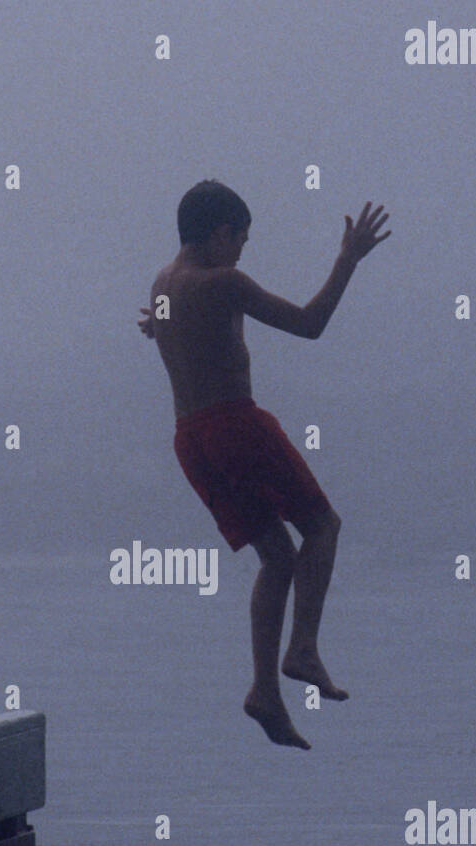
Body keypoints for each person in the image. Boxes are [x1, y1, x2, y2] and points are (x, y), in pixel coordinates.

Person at [138, 180, 390, 749]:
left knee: (277, 558)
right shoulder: (223, 282)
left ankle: (264, 694)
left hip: (191, 441)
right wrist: (347, 260)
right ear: (221, 231)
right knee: (323, 526)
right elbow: (309, 323)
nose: (243, 251)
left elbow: (161, 321)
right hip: (235, 424)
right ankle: (302, 649)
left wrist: (156, 324)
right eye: (243, 239)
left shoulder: (162, 284)